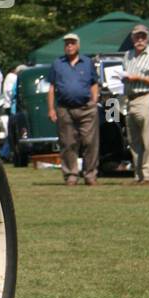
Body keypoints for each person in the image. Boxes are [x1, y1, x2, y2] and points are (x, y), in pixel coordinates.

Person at [47, 32, 100, 186]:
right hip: (65, 109)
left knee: (90, 142)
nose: (69, 46)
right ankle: (71, 174)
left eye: (72, 43)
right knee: (68, 143)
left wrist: (94, 100)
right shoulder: (57, 63)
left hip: (86, 108)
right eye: (67, 43)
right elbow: (51, 88)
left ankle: (90, 175)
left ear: (78, 45)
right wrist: (51, 109)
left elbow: (94, 83)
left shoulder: (87, 62)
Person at [121, 23, 149, 184]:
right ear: (132, 38)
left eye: (143, 36)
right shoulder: (127, 55)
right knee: (134, 140)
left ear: (148, 38)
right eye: (137, 36)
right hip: (130, 100)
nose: (140, 39)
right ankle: (138, 176)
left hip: (147, 98)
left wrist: (140, 78)